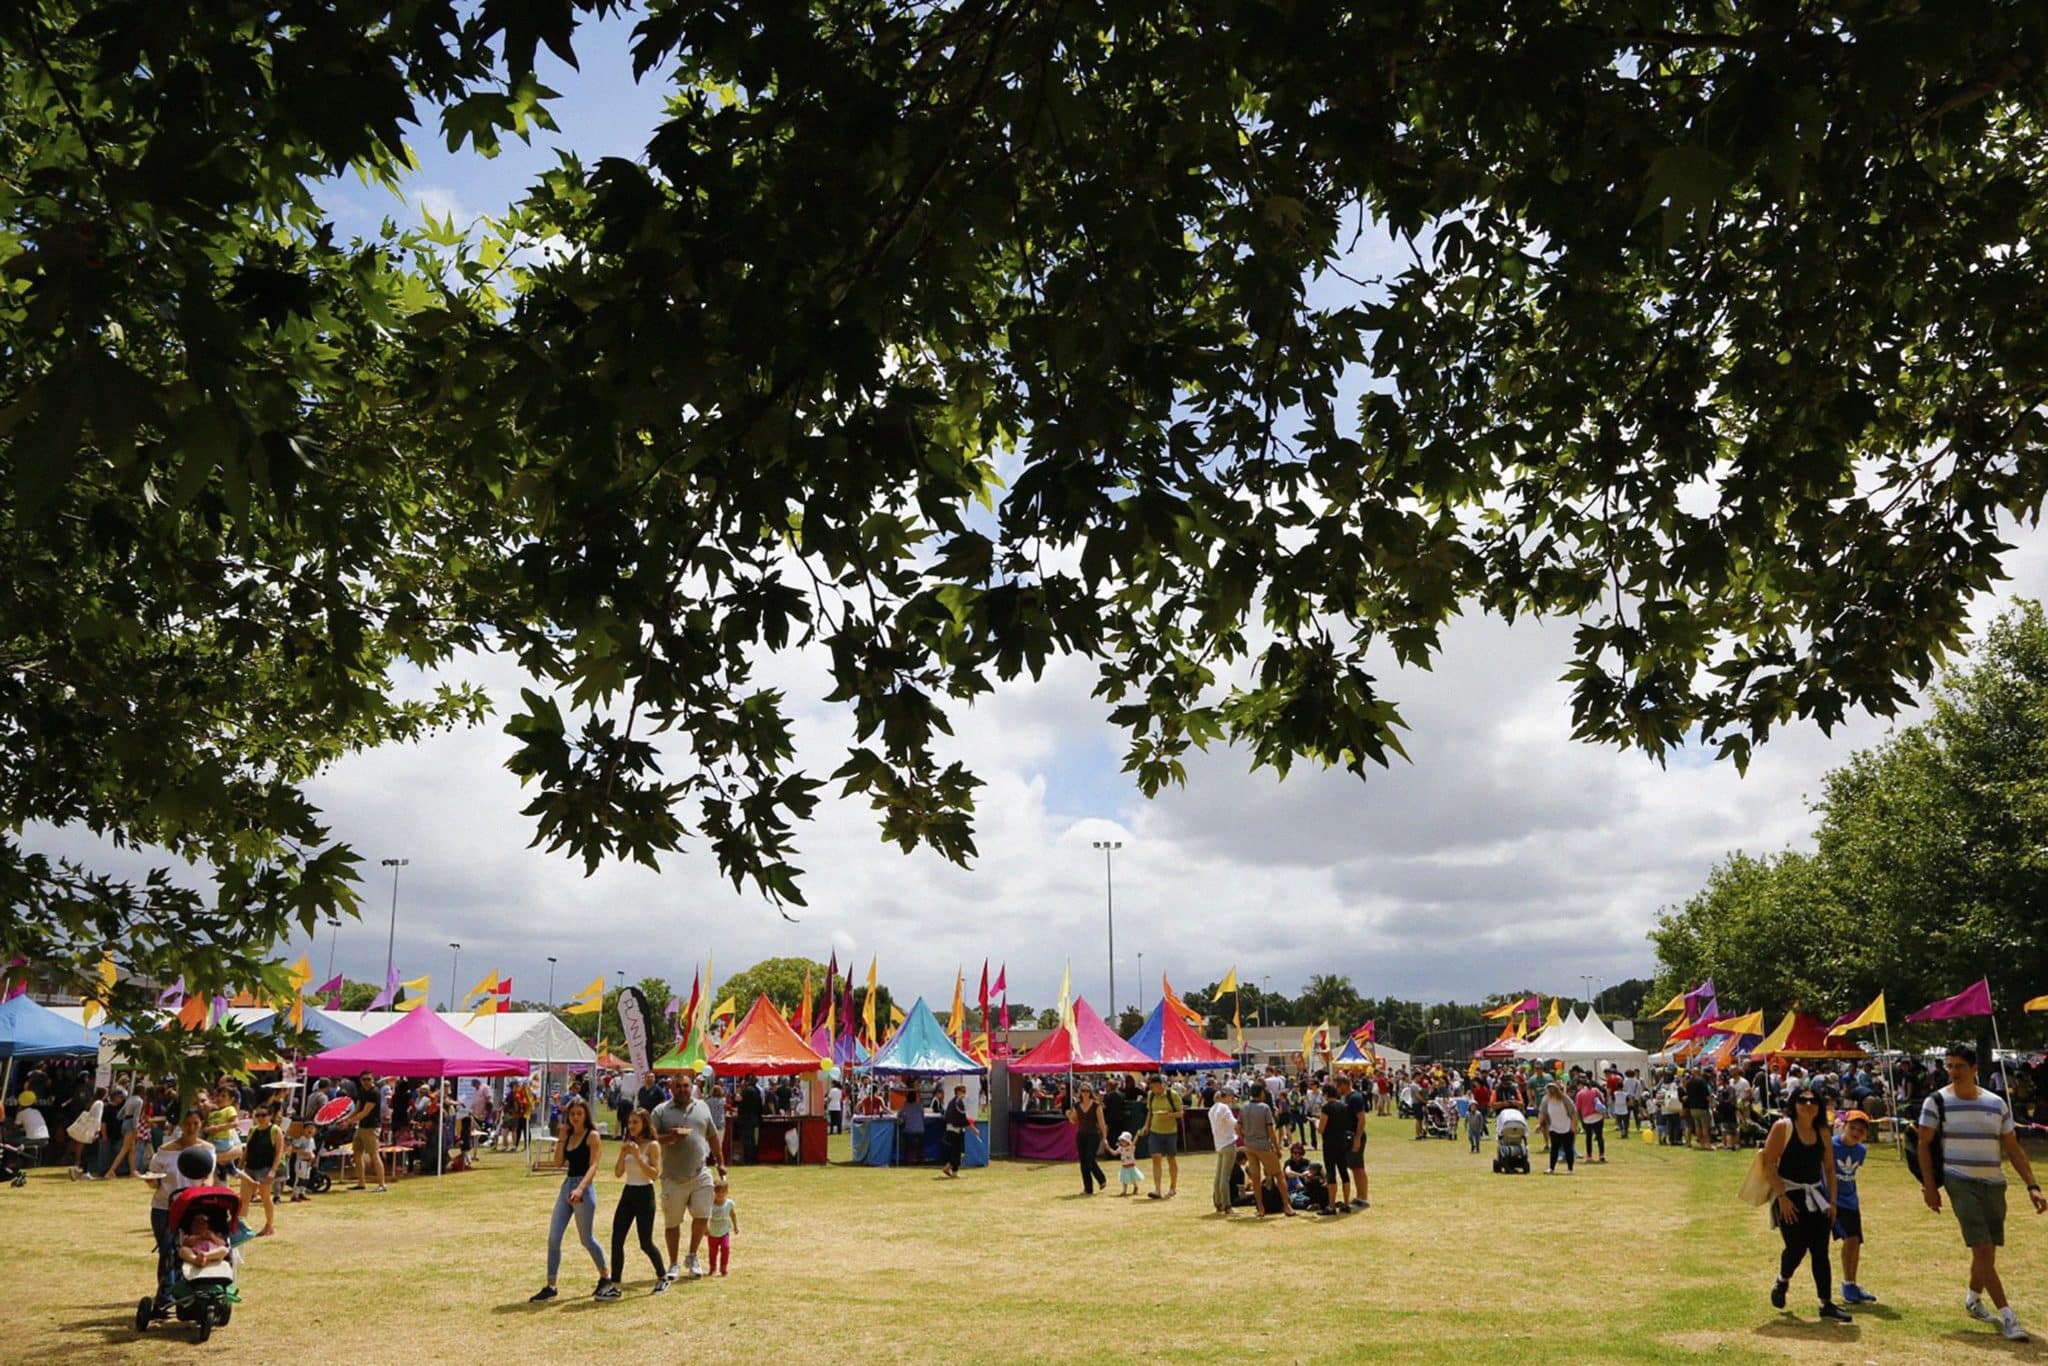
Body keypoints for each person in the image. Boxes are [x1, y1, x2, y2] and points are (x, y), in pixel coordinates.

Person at [1919, 1040, 2045, 1342]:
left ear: (1975, 1068)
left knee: (1987, 1251)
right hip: (1959, 1180)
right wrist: (1929, 1186)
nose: (1954, 1072)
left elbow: (2012, 1147)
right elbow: (1923, 1144)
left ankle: (1973, 1298)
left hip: (1994, 1183)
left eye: (1960, 1066)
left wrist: (2032, 1186)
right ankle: (2008, 1316)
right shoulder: (1936, 1101)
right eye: (1949, 1066)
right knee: (1982, 1247)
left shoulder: (1996, 1103)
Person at [1762, 1084, 1850, 1323]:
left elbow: (1829, 1169)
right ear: (1794, 1104)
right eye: (1803, 1100)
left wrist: (1832, 1201)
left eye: (1813, 1101)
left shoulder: (1822, 1131)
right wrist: (1782, 1198)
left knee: (1820, 1250)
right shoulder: (1783, 1127)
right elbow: (1769, 1163)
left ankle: (1825, 1303)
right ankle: (1782, 1281)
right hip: (1789, 1193)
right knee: (1796, 1247)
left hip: (1816, 1195)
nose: (1808, 1105)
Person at [532, 1096, 612, 1302]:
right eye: (572, 1114)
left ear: (586, 1115)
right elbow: (558, 1162)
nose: (575, 1117)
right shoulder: (567, 1136)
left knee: (586, 1239)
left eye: (579, 1114)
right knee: (553, 1238)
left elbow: (594, 1166)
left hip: (583, 1189)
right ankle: (551, 1285)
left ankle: (605, 1277)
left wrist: (580, 1189)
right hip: (567, 1186)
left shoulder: (592, 1136)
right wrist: (561, 1137)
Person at [143, 1109, 214, 1312]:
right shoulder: (166, 1150)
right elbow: (154, 1176)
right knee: (168, 1250)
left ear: (201, 1124)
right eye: (187, 1124)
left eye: (195, 1123)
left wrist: (205, 1188)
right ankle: (165, 1297)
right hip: (165, 1207)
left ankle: (188, 1293)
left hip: (193, 1206)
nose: (191, 1128)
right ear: (180, 1125)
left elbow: (208, 1175)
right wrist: (151, 1181)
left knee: (192, 1249)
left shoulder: (207, 1149)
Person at [651, 1074, 718, 1280]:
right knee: (672, 1223)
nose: (682, 1090)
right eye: (678, 1086)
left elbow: (712, 1135)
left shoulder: (702, 1107)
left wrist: (721, 1162)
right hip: (672, 1176)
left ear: (692, 1087)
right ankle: (673, 1264)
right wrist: (669, 1138)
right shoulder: (661, 1111)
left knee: (702, 1215)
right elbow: (649, 1137)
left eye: (686, 1086)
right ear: (671, 1088)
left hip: (700, 1173)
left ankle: (692, 1256)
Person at [609, 1107, 668, 1294]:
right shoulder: (629, 1143)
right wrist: (623, 1153)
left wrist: (637, 1157)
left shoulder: (653, 1145)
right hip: (628, 1192)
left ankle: (662, 1276)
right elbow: (618, 1173)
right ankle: (615, 1284)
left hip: (644, 1194)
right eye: (629, 1122)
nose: (631, 1126)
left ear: (644, 1123)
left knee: (645, 1242)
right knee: (617, 1239)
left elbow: (655, 1174)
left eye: (635, 1122)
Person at [1832, 1109, 1876, 1305]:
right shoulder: (1830, 1146)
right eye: (1853, 1127)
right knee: (1849, 1240)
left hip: (1850, 1201)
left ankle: (1850, 1284)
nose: (1856, 1132)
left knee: (1855, 1241)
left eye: (1861, 1130)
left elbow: (1851, 1175)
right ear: (1844, 1126)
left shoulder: (1861, 1151)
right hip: (1831, 1200)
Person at [1236, 1085, 1293, 1219]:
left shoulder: (1244, 1107)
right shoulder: (1264, 1108)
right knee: (1279, 1175)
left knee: (1255, 1178)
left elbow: (1238, 1128)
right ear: (1261, 1093)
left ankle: (1260, 1208)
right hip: (1263, 1146)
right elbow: (1271, 1132)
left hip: (1249, 1146)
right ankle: (1287, 1206)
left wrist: (1245, 1138)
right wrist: (1277, 1149)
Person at [238, 1103, 281, 1237]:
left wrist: (273, 1170)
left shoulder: (275, 1130)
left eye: (264, 1115)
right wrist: (240, 1165)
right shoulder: (253, 1130)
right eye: (258, 1115)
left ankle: (269, 1225)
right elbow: (247, 1150)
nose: (260, 1118)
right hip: (250, 1168)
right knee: (244, 1199)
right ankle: (241, 1227)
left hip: (265, 1169)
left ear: (270, 1116)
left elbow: (279, 1153)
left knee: (265, 1198)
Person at [346, 1070, 386, 1192]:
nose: (366, 1082)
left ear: (373, 1080)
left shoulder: (374, 1093)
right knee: (357, 1154)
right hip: (361, 1127)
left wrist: (348, 1122)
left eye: (369, 1079)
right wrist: (344, 1119)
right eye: (364, 1079)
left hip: (371, 1128)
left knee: (374, 1155)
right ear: (360, 1080)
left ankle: (382, 1185)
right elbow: (357, 1109)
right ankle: (361, 1183)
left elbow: (365, 1112)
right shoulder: (362, 1091)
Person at [1143, 1074, 1181, 1200]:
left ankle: (1173, 1187)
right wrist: (1146, 1126)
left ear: (1161, 1085)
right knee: (1156, 1158)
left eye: (1154, 1086)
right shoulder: (1151, 1095)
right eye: (1151, 1087)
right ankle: (1157, 1189)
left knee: (1171, 1159)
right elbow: (1150, 1112)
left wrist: (1169, 1115)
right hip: (1155, 1131)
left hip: (1170, 1131)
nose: (1153, 1089)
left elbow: (1181, 1113)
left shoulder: (1172, 1095)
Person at [1068, 1083, 1109, 1196]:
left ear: (1090, 1092)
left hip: (1093, 1135)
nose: (1085, 1093)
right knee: (1083, 1162)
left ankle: (1101, 1179)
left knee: (1090, 1158)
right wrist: (1069, 1115)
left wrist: (1104, 1138)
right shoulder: (1077, 1105)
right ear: (1080, 1092)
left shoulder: (1096, 1105)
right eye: (1083, 1091)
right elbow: (1074, 1120)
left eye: (1087, 1091)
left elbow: (1102, 1123)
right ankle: (1088, 1188)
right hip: (1081, 1135)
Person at [1208, 1085, 1240, 1214]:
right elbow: (1234, 1123)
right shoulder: (1224, 1108)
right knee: (1225, 1177)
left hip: (1219, 1144)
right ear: (1226, 1096)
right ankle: (1227, 1205)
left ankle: (1218, 1202)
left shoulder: (1212, 1109)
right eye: (1231, 1097)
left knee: (1219, 1176)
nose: (1232, 1099)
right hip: (1228, 1143)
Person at [1539, 1081, 1578, 1175]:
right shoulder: (1546, 1100)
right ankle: (1551, 1168)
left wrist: (1573, 1126)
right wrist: (1540, 1124)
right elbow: (1543, 1112)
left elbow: (1573, 1113)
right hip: (1553, 1127)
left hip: (1566, 1127)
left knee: (1568, 1149)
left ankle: (1570, 1169)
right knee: (1554, 1149)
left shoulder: (1565, 1099)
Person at [704, 1177, 737, 1276]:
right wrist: (706, 1228)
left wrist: (735, 1226)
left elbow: (732, 1214)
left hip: (724, 1232)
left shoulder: (729, 1203)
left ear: (727, 1192)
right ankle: (712, 1268)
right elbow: (706, 1217)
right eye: (717, 1192)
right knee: (713, 1252)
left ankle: (723, 1268)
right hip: (712, 1233)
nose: (720, 1194)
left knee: (726, 1248)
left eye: (723, 1192)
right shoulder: (710, 1205)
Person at [940, 1084, 973, 1177]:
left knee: (957, 1151)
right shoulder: (957, 1103)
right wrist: (973, 1129)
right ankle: (953, 1171)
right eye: (963, 1092)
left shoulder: (953, 1102)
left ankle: (948, 1168)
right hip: (954, 1130)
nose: (964, 1094)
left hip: (952, 1129)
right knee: (957, 1151)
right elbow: (961, 1118)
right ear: (958, 1092)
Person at [1575, 1079, 1607, 1163]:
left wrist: (1577, 1119)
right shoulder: (1596, 1090)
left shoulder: (1580, 1094)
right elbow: (1602, 1101)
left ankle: (1589, 1156)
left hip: (1587, 1118)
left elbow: (1578, 1108)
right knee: (1599, 1136)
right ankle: (1602, 1155)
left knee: (1588, 1137)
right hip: (1598, 1116)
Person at [1114, 1131, 1141, 1196]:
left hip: (1131, 1166)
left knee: (1133, 1178)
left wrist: (1137, 1135)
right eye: (1121, 1140)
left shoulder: (1131, 1147)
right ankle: (1124, 1191)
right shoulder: (1120, 1148)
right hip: (1124, 1166)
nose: (1121, 1142)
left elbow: (1134, 1142)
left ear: (1127, 1141)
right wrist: (1107, 1146)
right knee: (1124, 1179)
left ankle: (1135, 1186)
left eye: (1123, 1140)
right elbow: (1114, 1153)